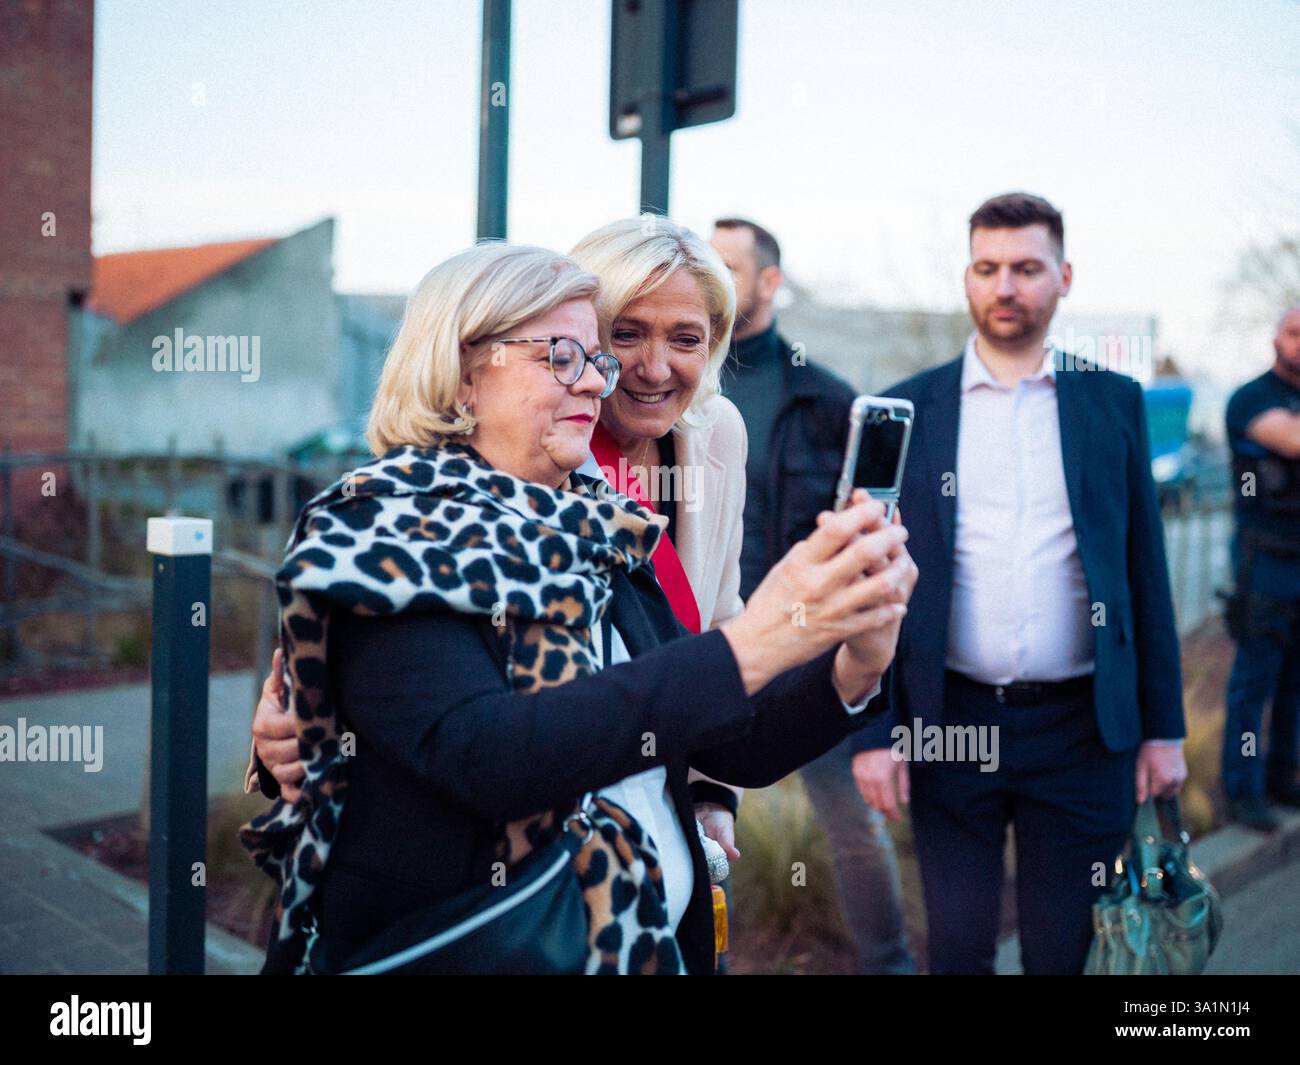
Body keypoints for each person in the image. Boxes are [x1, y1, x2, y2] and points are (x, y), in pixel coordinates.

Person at [239, 242, 917, 975]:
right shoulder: (382, 526)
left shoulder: (596, 527)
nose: (598, 384)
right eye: (563, 356)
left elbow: (722, 740)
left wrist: (858, 658)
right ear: (463, 372)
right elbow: (489, 755)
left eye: (596, 360)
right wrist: (760, 636)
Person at [851, 192, 1188, 974]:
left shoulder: (1113, 402)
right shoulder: (906, 406)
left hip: (1082, 732)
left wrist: (1163, 726)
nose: (1006, 286)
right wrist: (873, 734)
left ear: (1063, 277)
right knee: (960, 949)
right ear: (967, 278)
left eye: (1027, 268)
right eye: (988, 268)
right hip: (950, 722)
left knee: (1061, 953)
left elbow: (1146, 571)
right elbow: (866, 581)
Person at [709, 217, 914, 975]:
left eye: (729, 264)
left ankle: (889, 965)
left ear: (769, 281)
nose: (714, 275)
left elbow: (868, 529)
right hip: (708, 646)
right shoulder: (683, 389)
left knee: (851, 826)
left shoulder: (825, 397)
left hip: (806, 645)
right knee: (696, 822)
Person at [1221, 304, 1300, 831]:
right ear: (1276, 337)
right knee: (1255, 680)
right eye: (1295, 333)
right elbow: (1292, 440)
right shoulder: (1251, 398)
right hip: (1264, 560)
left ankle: (1282, 777)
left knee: (1295, 678)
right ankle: (1242, 789)